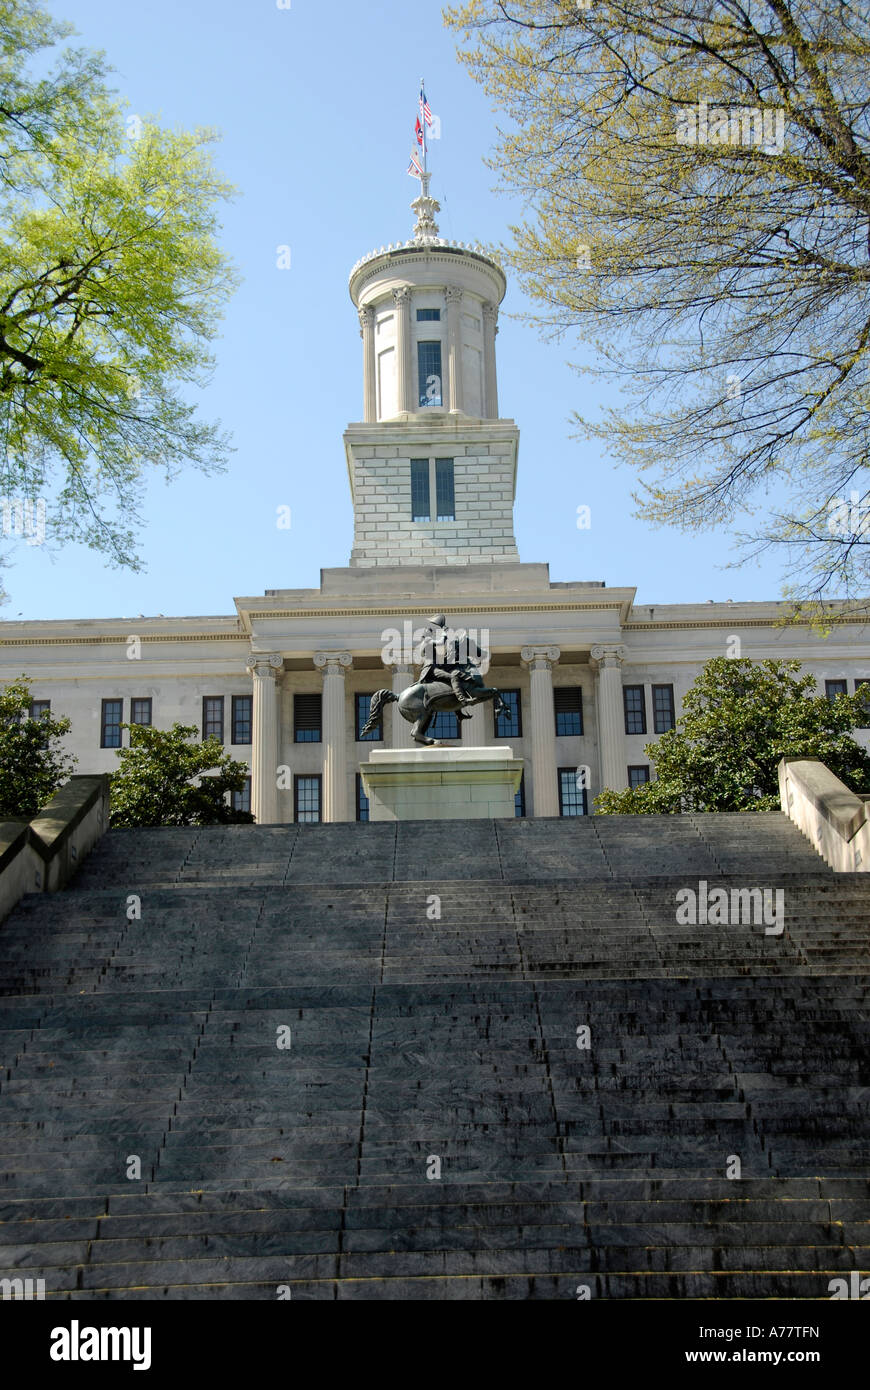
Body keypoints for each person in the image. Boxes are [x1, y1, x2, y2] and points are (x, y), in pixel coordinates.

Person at [418, 614, 481, 705]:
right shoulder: (427, 640)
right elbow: (440, 642)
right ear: (425, 634)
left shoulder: (426, 644)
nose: (431, 633)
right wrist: (444, 633)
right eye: (429, 632)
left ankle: (458, 712)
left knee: (449, 684)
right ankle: (462, 699)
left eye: (431, 632)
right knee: (453, 677)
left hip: (433, 667)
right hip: (431, 669)